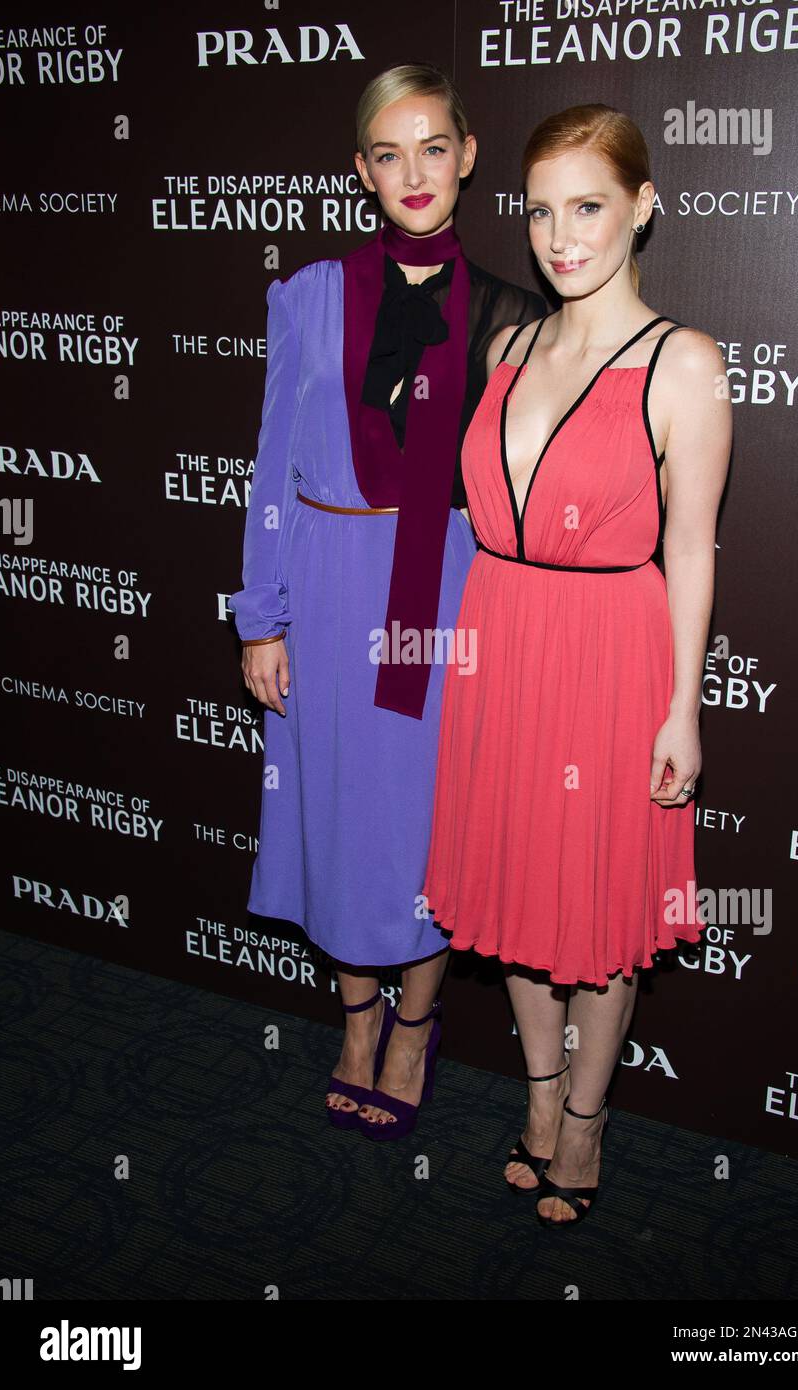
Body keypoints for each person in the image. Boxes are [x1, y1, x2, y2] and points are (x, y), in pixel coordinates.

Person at [422, 104, 732, 1222]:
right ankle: (539, 1096)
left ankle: (587, 1121)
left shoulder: (681, 361)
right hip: (498, 638)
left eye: (588, 207)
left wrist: (680, 708)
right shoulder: (508, 345)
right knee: (512, 889)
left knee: (597, 914)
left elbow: (691, 547)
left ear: (641, 208)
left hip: (609, 651)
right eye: (543, 211)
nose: (561, 237)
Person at [228, 63, 547, 1138]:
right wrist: (259, 615)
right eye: (385, 152)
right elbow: (272, 465)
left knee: (422, 828)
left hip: (445, 596)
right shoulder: (309, 295)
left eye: (430, 147)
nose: (411, 172)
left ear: (465, 154)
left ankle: (413, 1026)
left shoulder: (510, 317)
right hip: (322, 586)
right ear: (360, 170)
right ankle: (355, 1019)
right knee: (334, 815)